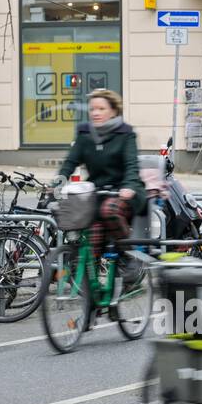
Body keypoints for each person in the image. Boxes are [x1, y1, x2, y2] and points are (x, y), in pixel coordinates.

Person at [56, 88, 148, 275]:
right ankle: (94, 297)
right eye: (92, 109)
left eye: (101, 109)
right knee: (91, 241)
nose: (95, 113)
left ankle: (127, 255)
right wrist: (57, 183)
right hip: (97, 195)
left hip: (124, 194)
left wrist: (129, 187)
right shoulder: (85, 134)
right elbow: (70, 163)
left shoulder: (125, 134)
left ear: (113, 111)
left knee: (109, 210)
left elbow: (132, 166)